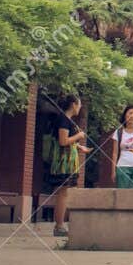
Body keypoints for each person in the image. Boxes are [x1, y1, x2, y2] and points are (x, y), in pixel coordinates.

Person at [49, 94, 90, 237]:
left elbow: (68, 141)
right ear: (73, 104)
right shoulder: (63, 120)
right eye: (79, 104)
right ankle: (59, 226)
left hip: (69, 162)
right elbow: (63, 141)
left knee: (66, 192)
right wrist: (79, 136)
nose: (80, 107)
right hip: (63, 163)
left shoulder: (68, 120)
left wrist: (79, 147)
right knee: (63, 193)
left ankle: (62, 224)